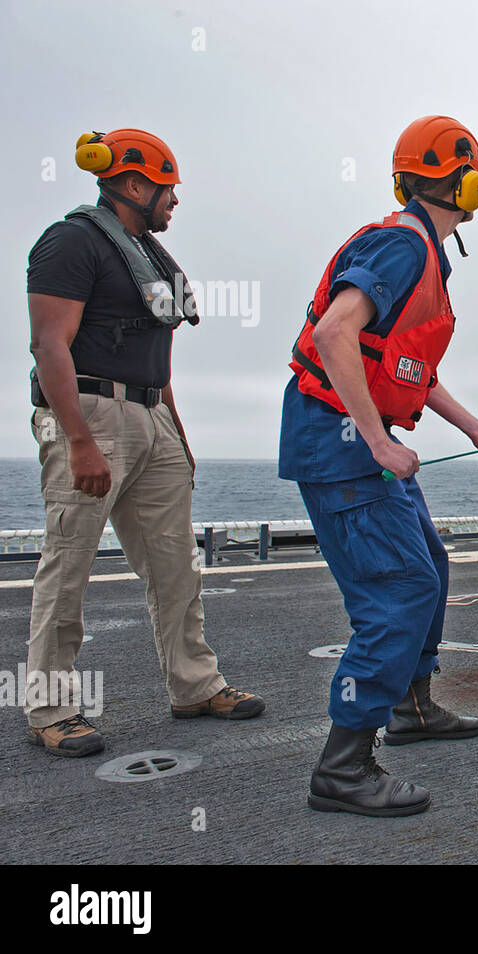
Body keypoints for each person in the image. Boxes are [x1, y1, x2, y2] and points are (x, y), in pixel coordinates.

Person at [280, 115, 478, 817]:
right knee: (400, 589)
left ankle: (413, 708)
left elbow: (407, 367)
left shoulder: (421, 255)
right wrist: (378, 441)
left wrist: (470, 425)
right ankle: (343, 767)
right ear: (467, 181)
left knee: (429, 567)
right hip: (343, 440)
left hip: (358, 436)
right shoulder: (402, 247)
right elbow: (334, 332)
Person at [25, 128, 265, 757]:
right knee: (69, 563)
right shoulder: (71, 243)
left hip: (152, 414)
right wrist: (79, 440)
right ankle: (52, 709)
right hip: (91, 411)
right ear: (133, 184)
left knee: (175, 564)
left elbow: (158, 354)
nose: (174, 201)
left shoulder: (151, 257)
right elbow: (49, 345)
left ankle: (194, 684)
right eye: (167, 189)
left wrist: (176, 435)